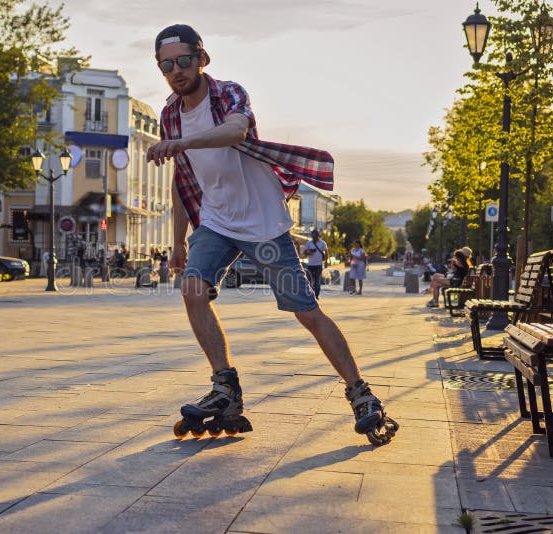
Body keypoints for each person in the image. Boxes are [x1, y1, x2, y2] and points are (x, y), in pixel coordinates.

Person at [146, 24, 397, 445]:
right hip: (215, 221)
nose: (176, 71)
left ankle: (361, 394)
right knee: (192, 289)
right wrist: (176, 240)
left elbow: (235, 132)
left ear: (202, 59)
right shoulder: (170, 113)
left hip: (263, 223)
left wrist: (181, 143)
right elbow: (180, 177)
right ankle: (225, 388)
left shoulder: (228, 93)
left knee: (306, 311)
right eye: (166, 65)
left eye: (183, 61)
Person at [302, 229, 327, 299]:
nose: (314, 238)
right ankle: (310, 293)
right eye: (313, 236)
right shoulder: (309, 243)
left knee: (317, 280)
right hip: (310, 264)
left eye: (315, 236)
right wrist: (309, 252)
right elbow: (304, 253)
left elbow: (326, 252)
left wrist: (326, 262)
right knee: (309, 279)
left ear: (318, 236)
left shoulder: (322, 243)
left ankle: (316, 294)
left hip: (319, 265)